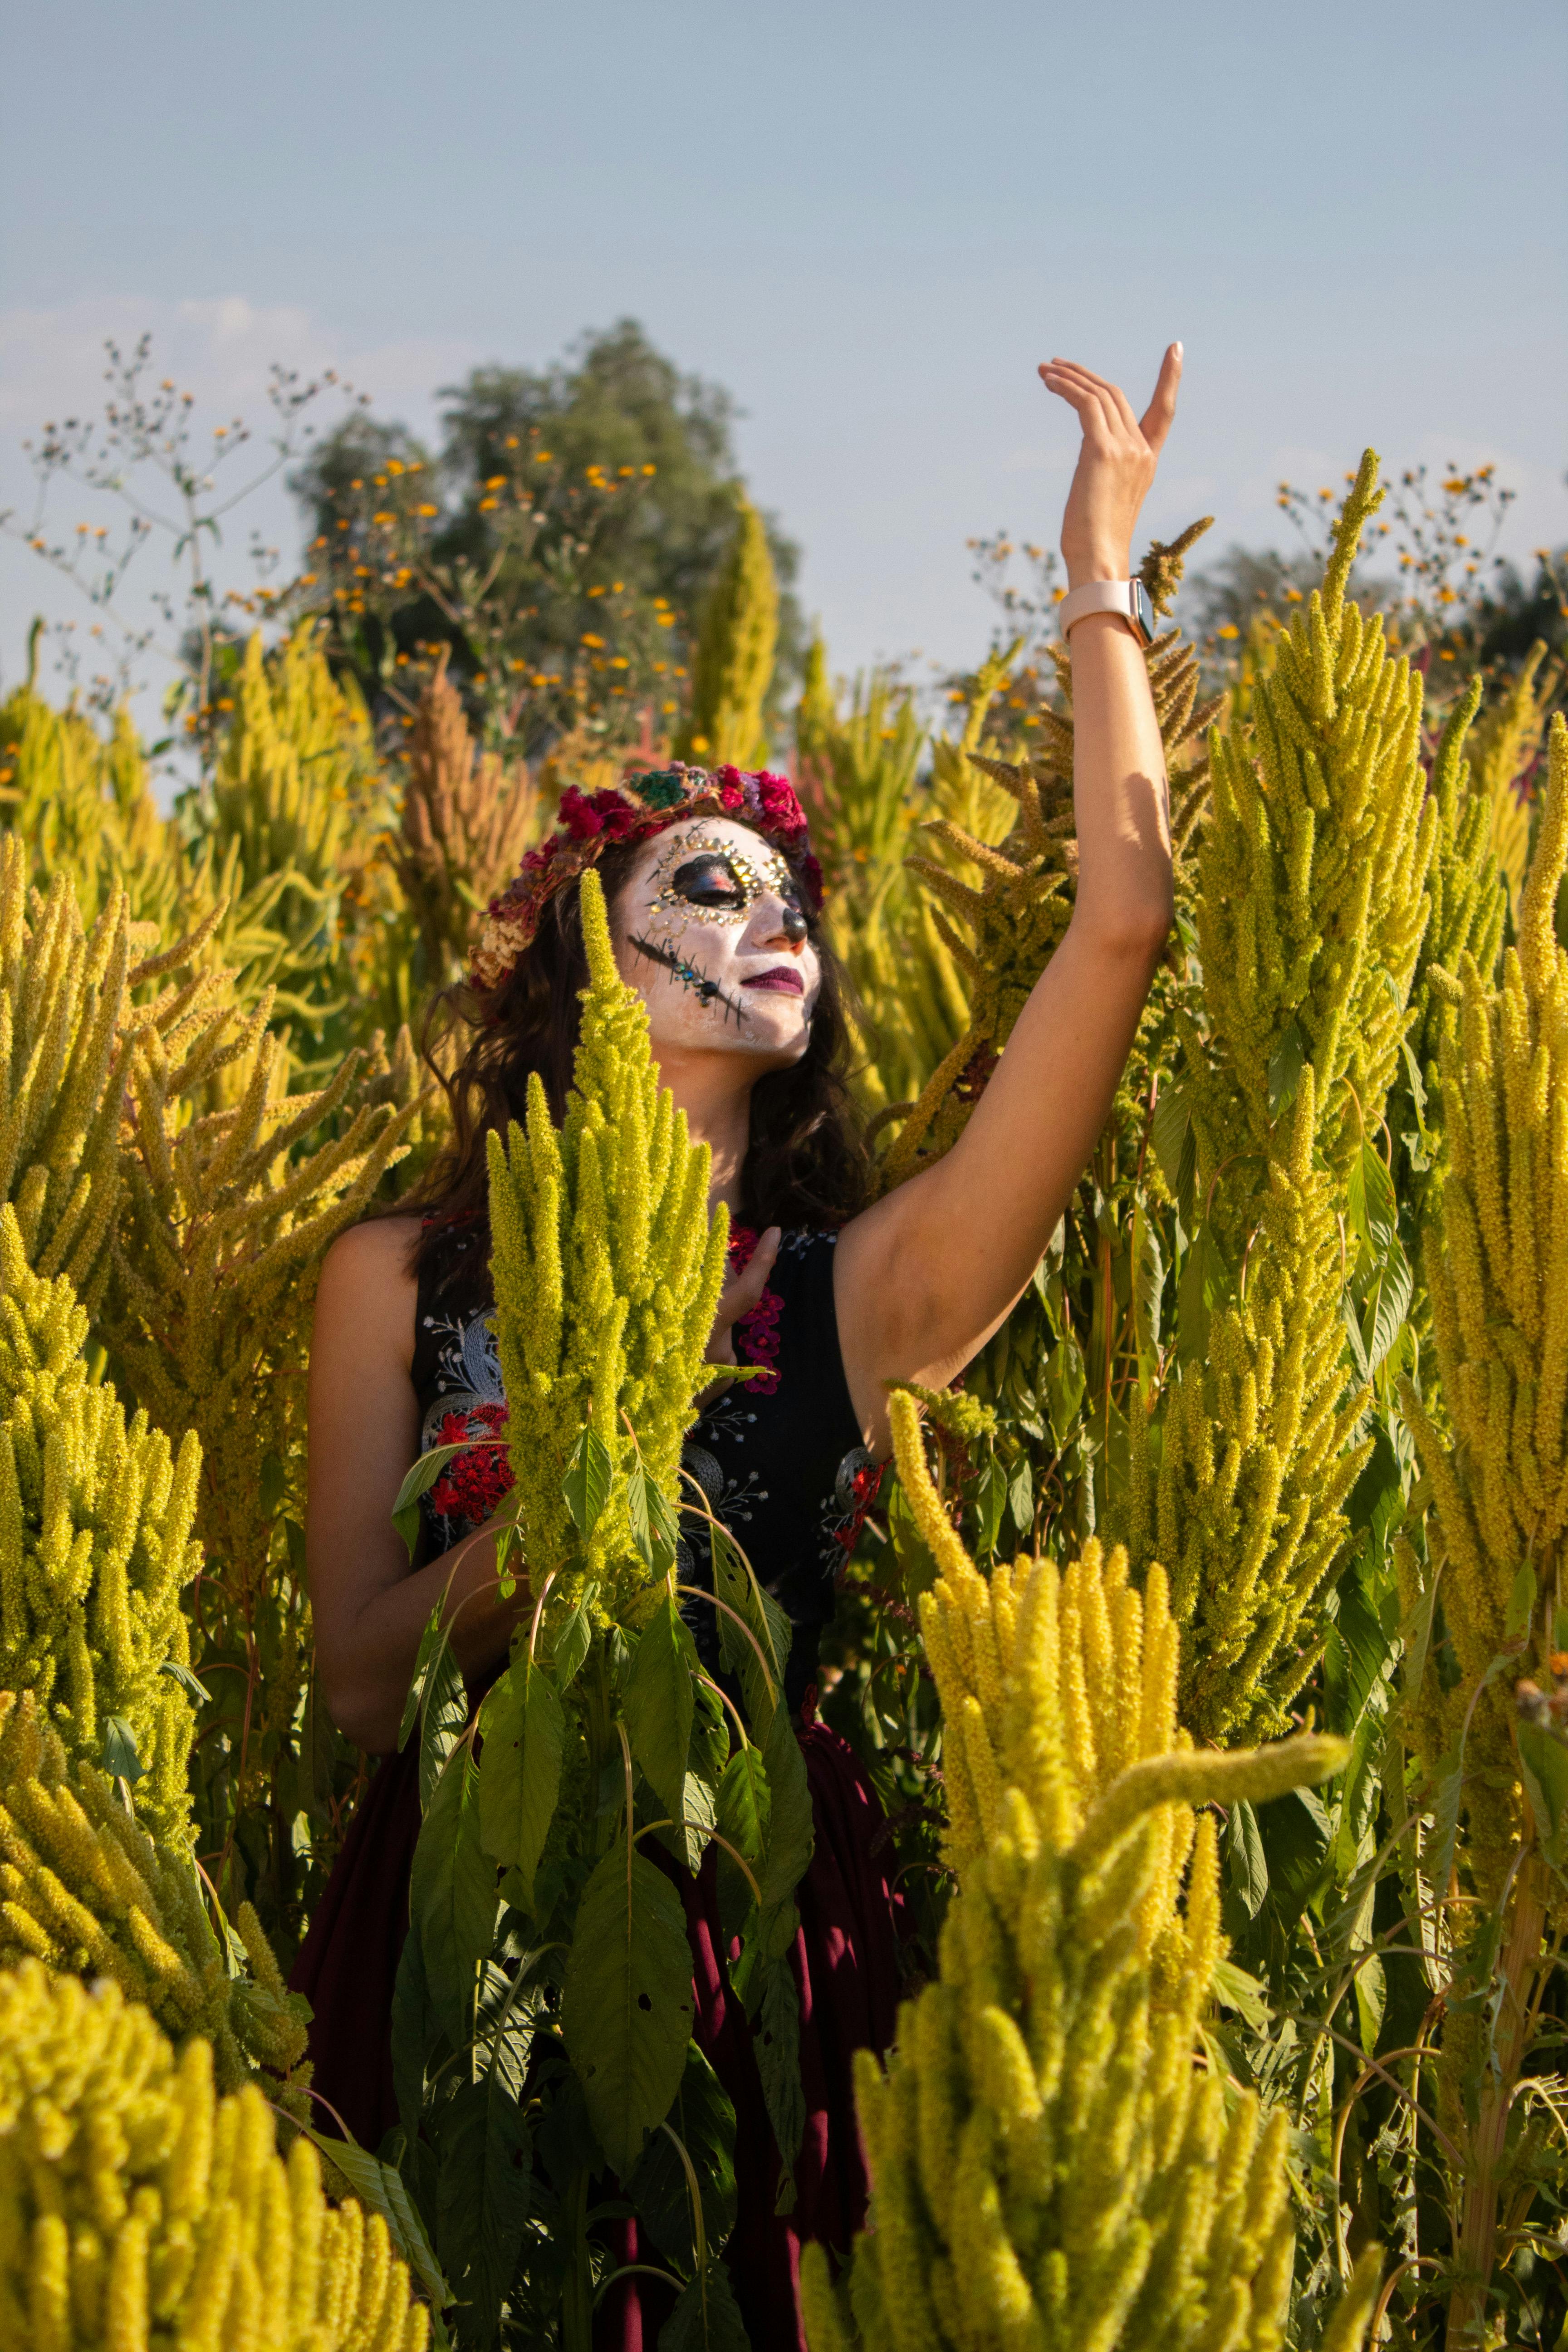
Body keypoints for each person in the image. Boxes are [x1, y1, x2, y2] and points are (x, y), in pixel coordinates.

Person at [295, 346, 1183, 2347]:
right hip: (476, 1918)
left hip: (760, 1931)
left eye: (791, 893)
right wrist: (589, 1494)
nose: (769, 913)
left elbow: (1122, 925)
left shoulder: (855, 1291)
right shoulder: (406, 1280)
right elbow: (361, 1679)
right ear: (576, 966)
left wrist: (1097, 570)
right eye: (709, 881)